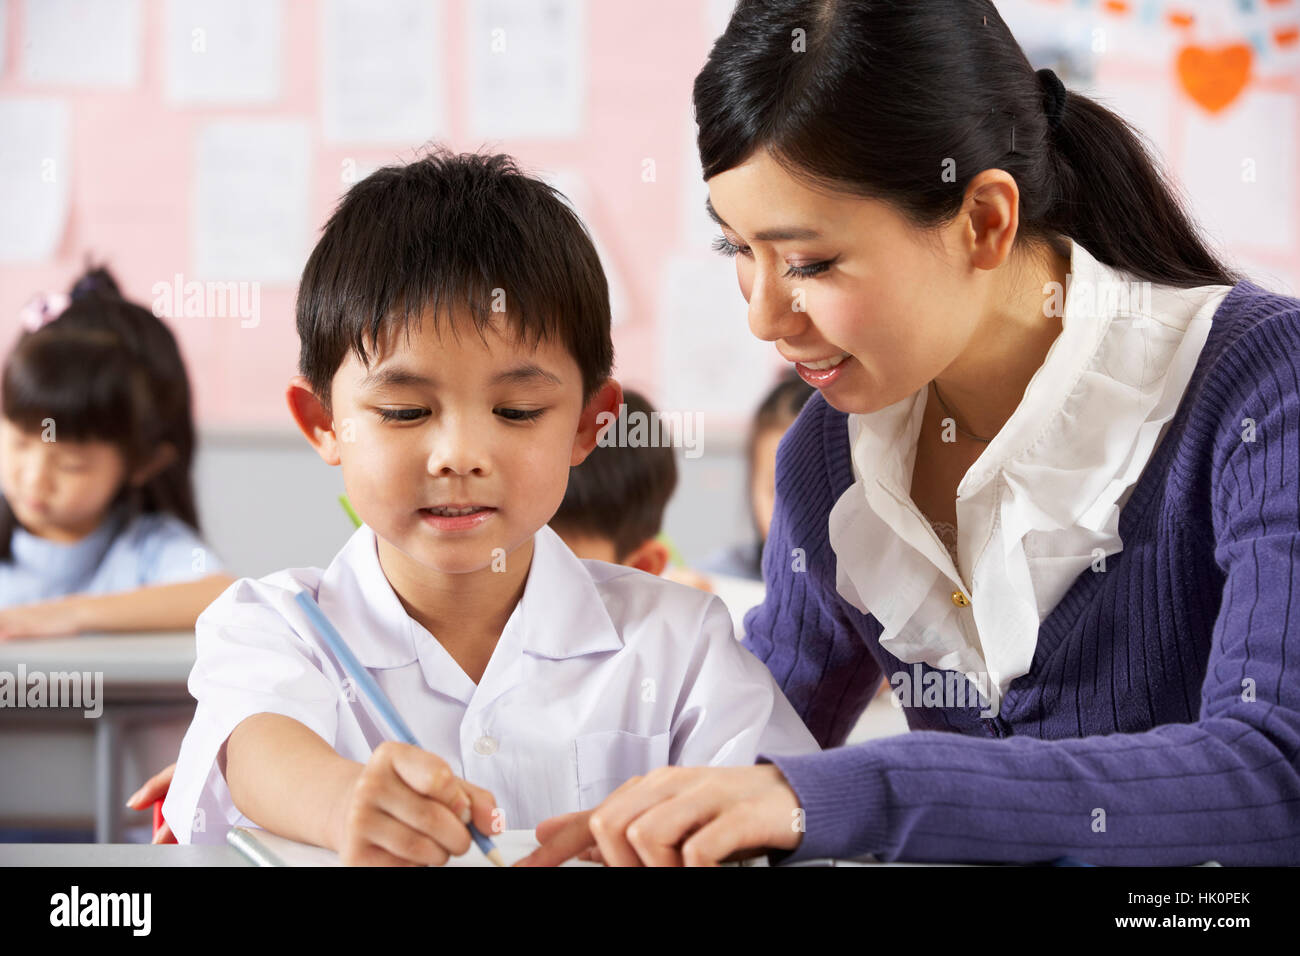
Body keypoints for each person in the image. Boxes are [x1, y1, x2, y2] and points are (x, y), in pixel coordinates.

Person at [520, 0, 1300, 867]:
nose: (765, 315)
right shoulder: (830, 457)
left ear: (984, 222)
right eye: (736, 248)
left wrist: (852, 794)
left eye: (810, 262)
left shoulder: (1264, 385)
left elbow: (1272, 770)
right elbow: (754, 752)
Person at [160, 148, 817, 864]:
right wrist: (345, 802)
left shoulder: (680, 641)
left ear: (587, 424)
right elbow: (259, 748)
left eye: (517, 409)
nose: (459, 455)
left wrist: (701, 829)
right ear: (324, 424)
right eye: (406, 411)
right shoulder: (276, 625)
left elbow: (775, 803)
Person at [0, 266, 235, 639]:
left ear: (142, 463)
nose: (34, 478)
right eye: (19, 444)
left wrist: (65, 615)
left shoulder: (147, 547)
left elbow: (221, 595)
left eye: (70, 465)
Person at [699, 371, 813, 582]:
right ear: (751, 486)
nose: (798, 516)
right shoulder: (723, 578)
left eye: (821, 490)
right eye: (779, 490)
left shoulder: (875, 591)